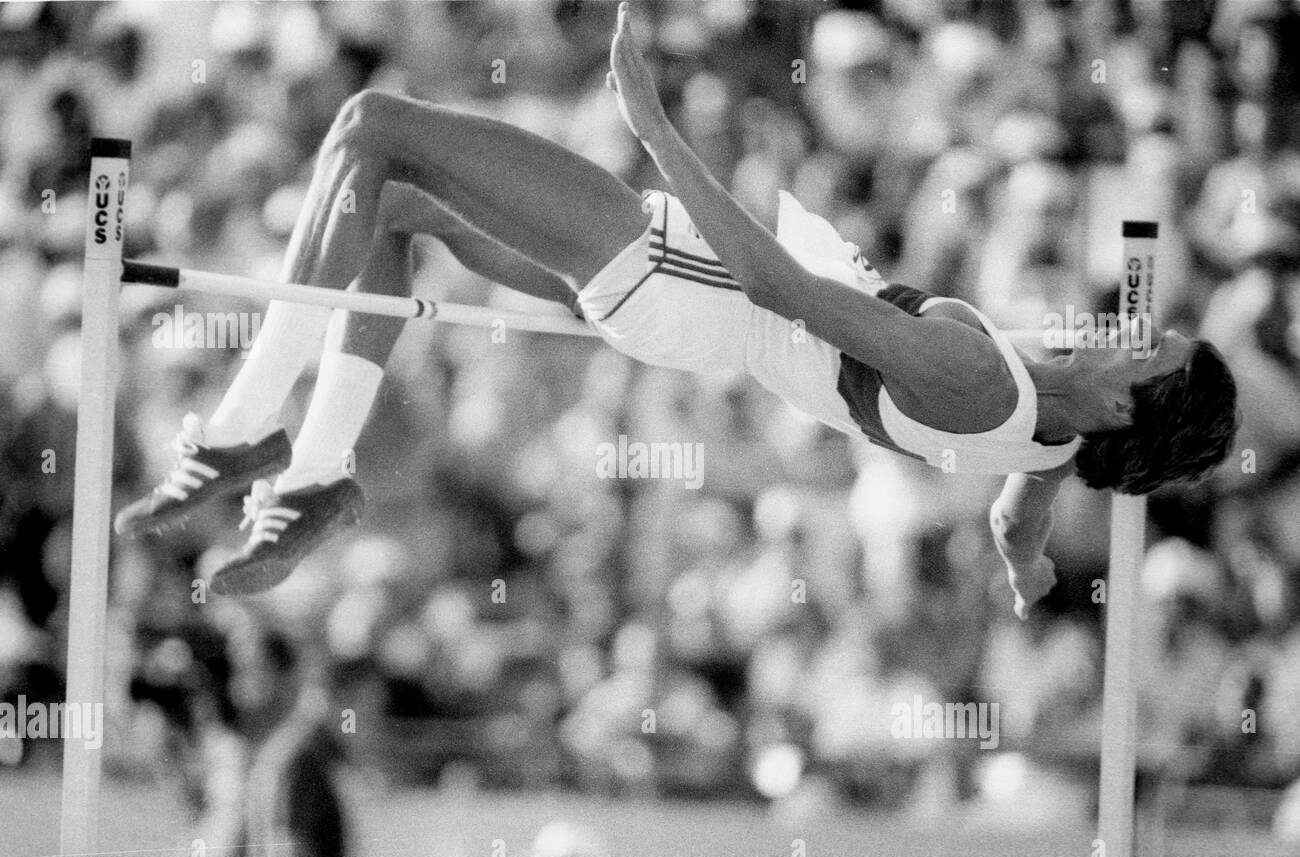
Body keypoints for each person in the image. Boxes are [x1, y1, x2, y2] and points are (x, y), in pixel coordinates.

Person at [115, 5, 1238, 619]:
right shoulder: (1045, 436)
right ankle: (308, 468)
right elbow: (1014, 523)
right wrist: (1023, 571)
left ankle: (253, 436)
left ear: (1134, 400)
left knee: (372, 124)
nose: (1129, 329)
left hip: (695, 282)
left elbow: (779, 289)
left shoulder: (982, 385)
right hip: (689, 312)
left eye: (1149, 348)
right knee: (396, 207)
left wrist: (653, 127)